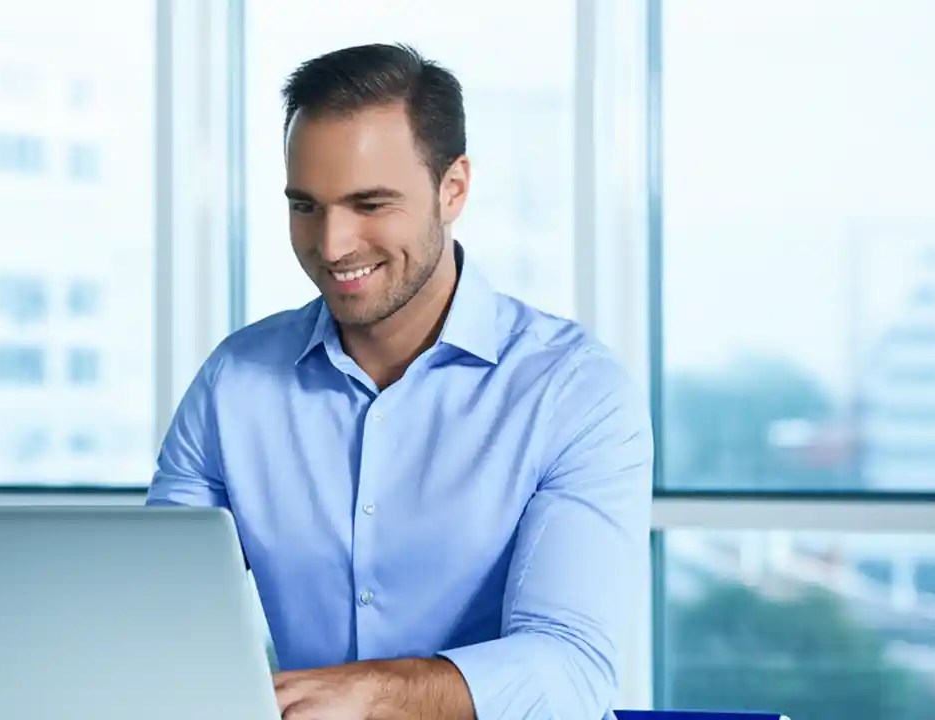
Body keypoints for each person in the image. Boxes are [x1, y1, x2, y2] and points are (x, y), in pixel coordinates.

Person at [146, 42, 653, 720]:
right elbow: (162, 618)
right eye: (305, 206)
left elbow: (571, 670)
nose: (331, 245)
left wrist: (368, 692)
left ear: (454, 189)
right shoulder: (234, 382)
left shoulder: (573, 392)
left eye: (370, 204)